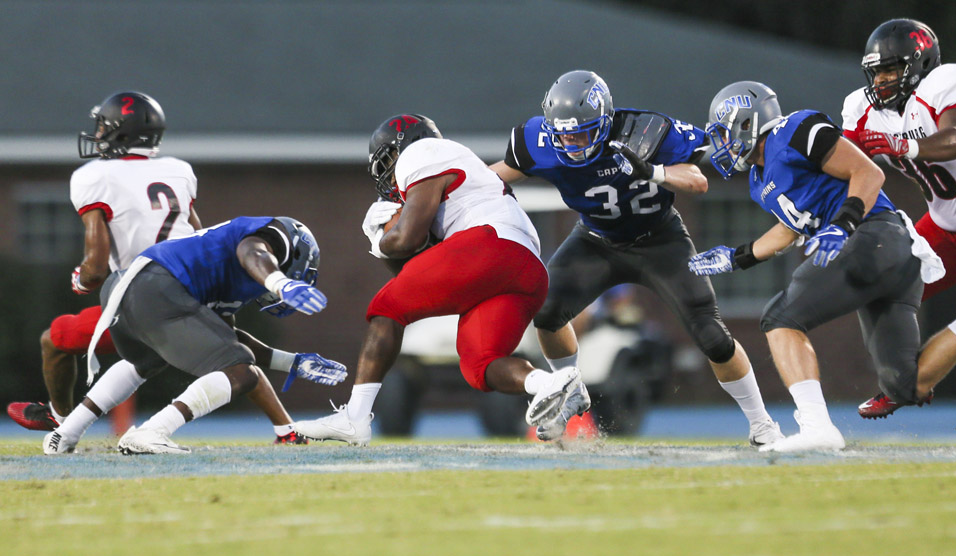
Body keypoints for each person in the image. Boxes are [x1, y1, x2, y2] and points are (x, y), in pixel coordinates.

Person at [692, 80, 956, 452]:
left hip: (875, 237)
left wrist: (843, 224)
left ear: (748, 122)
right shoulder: (759, 180)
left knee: (780, 318)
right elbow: (792, 228)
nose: (723, 144)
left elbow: (869, 173)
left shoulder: (796, 130)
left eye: (726, 132)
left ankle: (817, 427)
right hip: (887, 256)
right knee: (908, 384)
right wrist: (738, 257)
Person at [7, 91, 323, 446]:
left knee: (58, 339)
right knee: (224, 354)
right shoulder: (178, 171)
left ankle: (62, 420)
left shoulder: (94, 176)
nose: (96, 135)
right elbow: (196, 234)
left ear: (120, 133)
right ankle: (72, 427)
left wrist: (81, 279)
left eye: (102, 127)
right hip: (181, 286)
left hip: (136, 291)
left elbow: (95, 268)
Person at [488, 70, 783, 446]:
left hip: (659, 239)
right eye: (564, 134)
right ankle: (570, 389)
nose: (573, 142)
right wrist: (448, 188)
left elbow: (698, 180)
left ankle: (762, 425)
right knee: (545, 311)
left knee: (712, 337)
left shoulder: (645, 130)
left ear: (605, 121)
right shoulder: (538, 140)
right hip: (596, 239)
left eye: (582, 131)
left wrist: (655, 171)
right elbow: (495, 176)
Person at [295, 114, 588, 444]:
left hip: (490, 245)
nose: (391, 169)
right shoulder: (457, 181)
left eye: (389, 157)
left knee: (385, 306)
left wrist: (379, 240)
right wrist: (384, 250)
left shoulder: (424, 152)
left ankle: (355, 418)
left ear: (403, 146)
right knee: (480, 365)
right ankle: (549, 383)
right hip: (526, 269)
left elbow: (405, 241)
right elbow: (416, 277)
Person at [43, 214, 340, 455]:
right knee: (241, 372)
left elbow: (227, 338)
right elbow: (252, 251)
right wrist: (280, 283)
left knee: (148, 361)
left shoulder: (223, 277)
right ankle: (152, 432)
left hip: (125, 287)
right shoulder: (275, 236)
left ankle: (65, 434)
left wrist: (292, 363)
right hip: (156, 285)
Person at [842, 18, 956, 418]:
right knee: (881, 290)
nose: (881, 81)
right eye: (876, 72)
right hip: (948, 226)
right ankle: (900, 382)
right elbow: (839, 163)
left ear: (920, 64)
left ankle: (913, 383)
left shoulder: (947, 83)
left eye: (891, 70)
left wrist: (903, 145)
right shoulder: (862, 109)